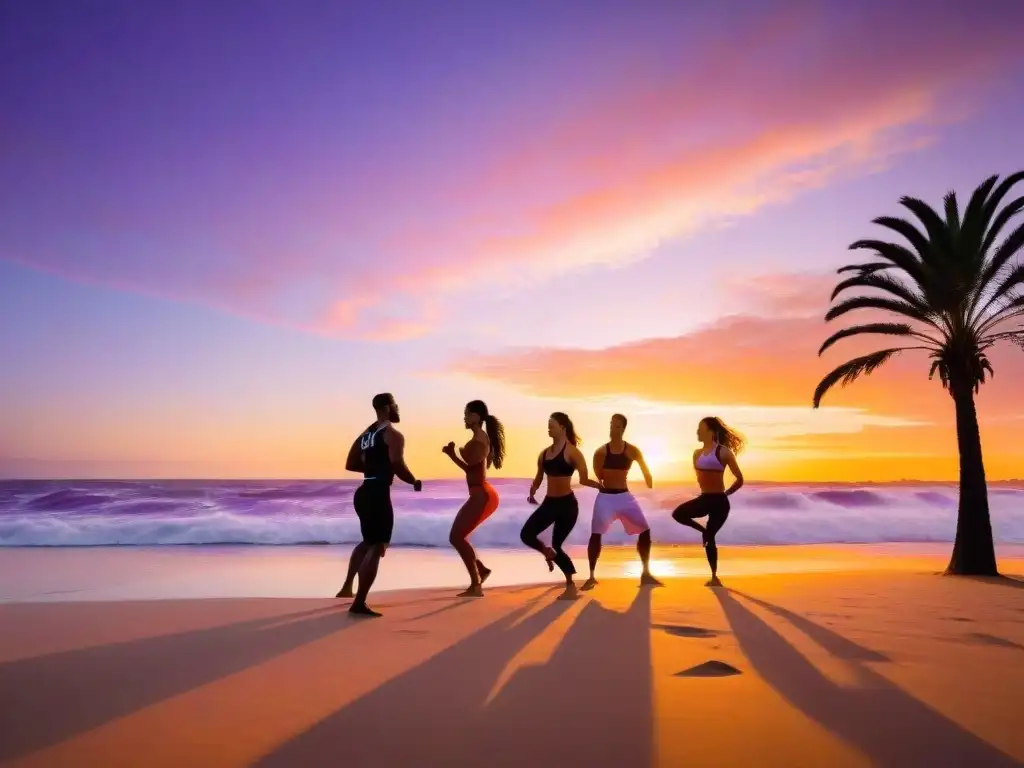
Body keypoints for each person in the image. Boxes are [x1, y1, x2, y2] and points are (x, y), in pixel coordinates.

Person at [337, 393, 422, 617]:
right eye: (395, 404)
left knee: (367, 542)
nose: (398, 408)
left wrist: (372, 468)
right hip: (377, 494)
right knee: (377, 546)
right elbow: (397, 463)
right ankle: (359, 602)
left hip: (363, 491)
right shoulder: (392, 434)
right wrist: (413, 480)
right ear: (387, 407)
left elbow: (350, 463)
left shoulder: (366, 435)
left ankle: (347, 587)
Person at [520, 412, 602, 600]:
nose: (549, 428)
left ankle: (570, 585)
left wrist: (599, 486)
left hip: (567, 505)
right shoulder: (544, 454)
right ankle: (547, 552)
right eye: (548, 425)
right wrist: (532, 491)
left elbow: (583, 478)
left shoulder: (572, 452)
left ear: (562, 427)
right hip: (549, 504)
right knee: (526, 534)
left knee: (557, 543)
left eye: (552, 425)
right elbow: (539, 476)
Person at [582, 413, 662, 591]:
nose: (612, 429)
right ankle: (592, 576)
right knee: (596, 534)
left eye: (616, 426)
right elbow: (600, 476)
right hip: (606, 497)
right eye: (611, 425)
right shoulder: (601, 452)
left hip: (625, 497)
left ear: (623, 429)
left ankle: (646, 573)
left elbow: (645, 469)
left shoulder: (632, 450)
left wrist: (648, 478)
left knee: (645, 530)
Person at [670, 416, 745, 587]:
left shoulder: (724, 452)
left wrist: (726, 494)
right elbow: (701, 478)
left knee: (711, 538)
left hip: (719, 502)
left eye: (701, 429)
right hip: (705, 498)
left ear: (710, 431)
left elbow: (739, 479)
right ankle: (702, 530)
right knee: (678, 513)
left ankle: (714, 577)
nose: (697, 432)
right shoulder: (696, 454)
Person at [442, 400, 506, 597]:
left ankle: (476, 584)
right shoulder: (480, 439)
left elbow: (471, 461)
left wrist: (457, 453)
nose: (465, 417)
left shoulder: (479, 440)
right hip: (480, 493)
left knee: (456, 537)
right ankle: (482, 571)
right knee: (457, 536)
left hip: (482, 495)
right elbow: (471, 469)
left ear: (477, 417)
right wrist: (453, 455)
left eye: (468, 414)